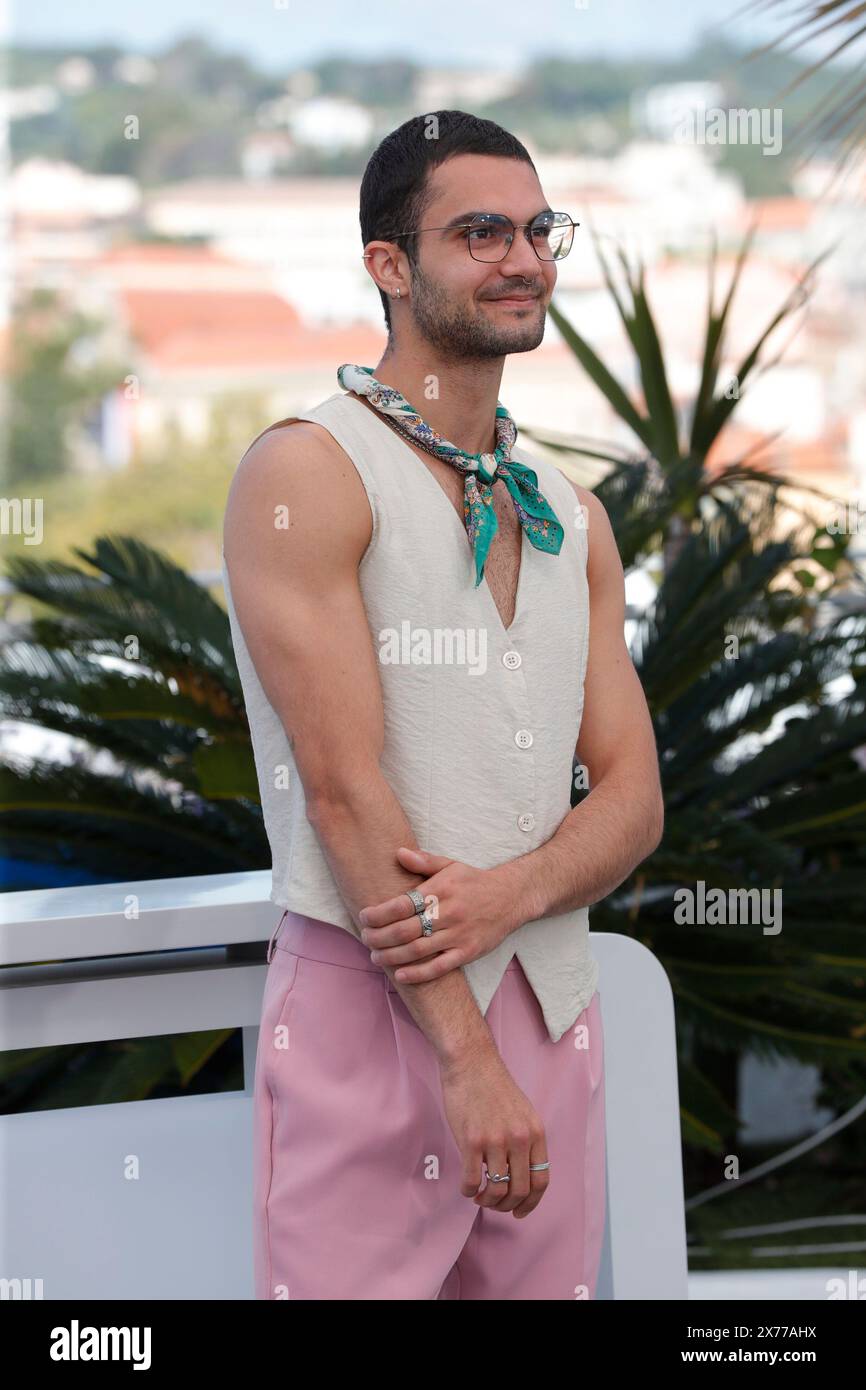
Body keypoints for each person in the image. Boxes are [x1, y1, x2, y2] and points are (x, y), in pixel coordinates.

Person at [222, 110, 663, 1301]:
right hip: (377, 1023)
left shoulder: (570, 511)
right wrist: (465, 1063)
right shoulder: (306, 472)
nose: (522, 260)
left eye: (536, 230)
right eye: (479, 232)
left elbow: (633, 795)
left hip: (553, 1003)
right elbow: (341, 786)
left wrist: (513, 892)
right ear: (389, 265)